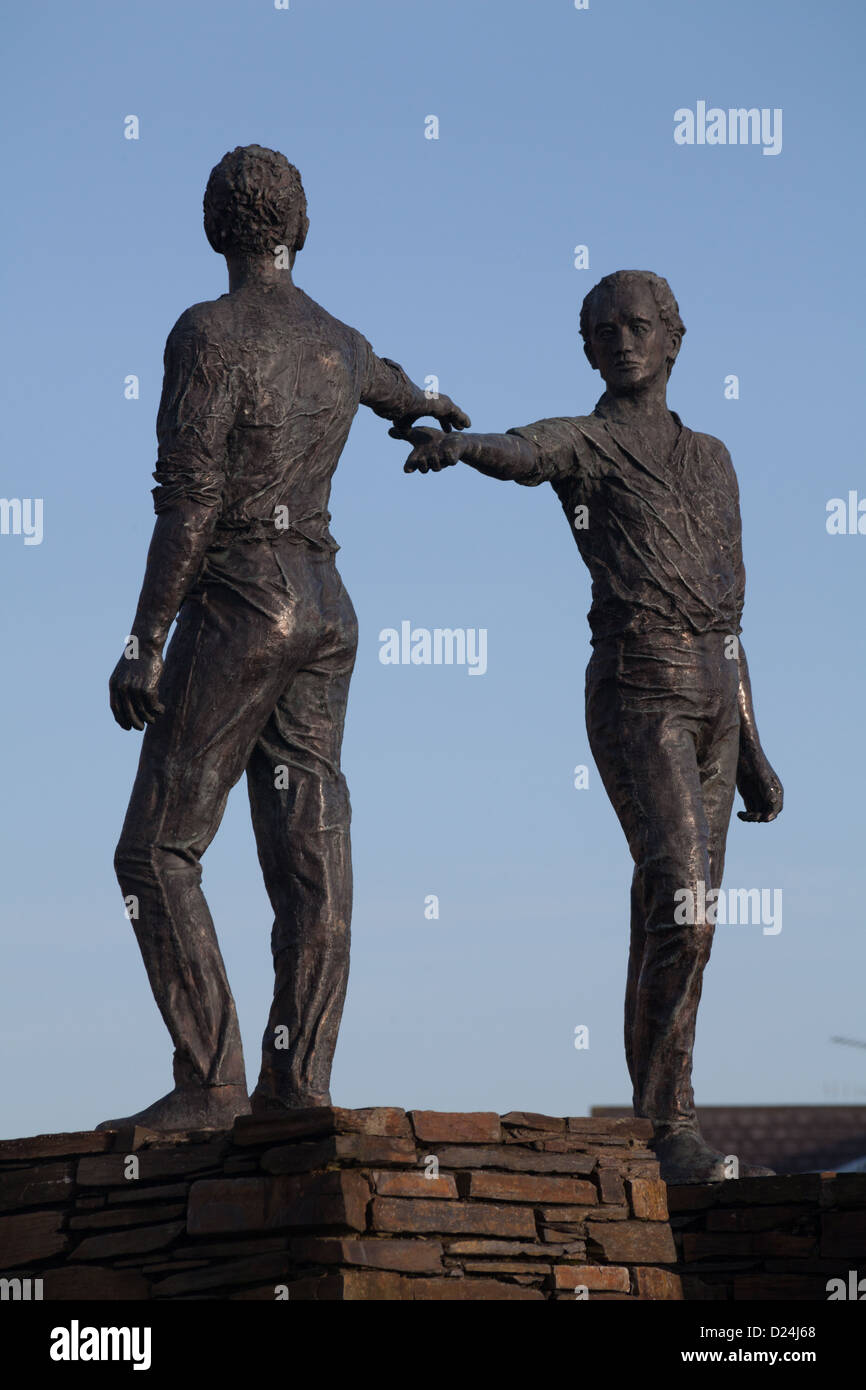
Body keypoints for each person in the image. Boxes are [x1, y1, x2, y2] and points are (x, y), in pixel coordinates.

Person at [101, 145, 469, 1133]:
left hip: (241, 604)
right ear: (298, 229)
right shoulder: (338, 345)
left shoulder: (207, 334)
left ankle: (214, 1078)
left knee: (155, 851)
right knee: (308, 853)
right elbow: (397, 386)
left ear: (217, 228)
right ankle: (297, 1084)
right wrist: (433, 415)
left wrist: (144, 636)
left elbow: (191, 498)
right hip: (326, 607)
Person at [392, 270, 783, 1182]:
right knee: (679, 896)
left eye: (638, 325)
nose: (621, 340)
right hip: (637, 684)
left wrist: (756, 746)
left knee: (691, 917)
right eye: (602, 329)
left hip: (718, 696)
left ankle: (667, 1118)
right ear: (587, 347)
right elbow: (529, 451)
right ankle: (667, 1123)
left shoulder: (714, 458)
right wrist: (459, 450)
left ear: (676, 338)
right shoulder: (592, 442)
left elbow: (732, 615)